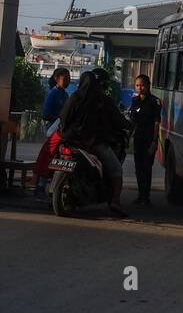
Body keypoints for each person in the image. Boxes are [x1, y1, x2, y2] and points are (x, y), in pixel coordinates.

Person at [56, 69, 131, 217]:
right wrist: (130, 126)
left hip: (70, 141)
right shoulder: (102, 100)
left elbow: (63, 118)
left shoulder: (74, 98)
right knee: (116, 170)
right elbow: (118, 120)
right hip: (94, 143)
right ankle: (115, 201)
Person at [32, 68, 71, 198]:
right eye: (65, 78)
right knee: (49, 157)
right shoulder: (53, 94)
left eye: (69, 79)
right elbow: (46, 114)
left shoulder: (65, 95)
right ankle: (40, 186)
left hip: (62, 131)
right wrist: (58, 119)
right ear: (56, 79)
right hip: (53, 131)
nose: (68, 81)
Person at [127, 74, 161, 206]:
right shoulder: (134, 101)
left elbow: (157, 122)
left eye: (142, 85)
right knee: (138, 167)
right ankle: (140, 195)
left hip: (149, 138)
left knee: (147, 168)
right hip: (138, 138)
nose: (139, 88)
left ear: (148, 86)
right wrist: (128, 136)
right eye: (137, 85)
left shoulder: (154, 102)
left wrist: (154, 141)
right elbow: (133, 121)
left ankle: (146, 197)